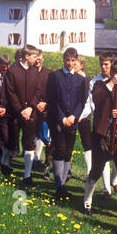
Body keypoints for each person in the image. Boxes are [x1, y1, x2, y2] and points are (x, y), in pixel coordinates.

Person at [82, 58, 117, 218]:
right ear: (112, 73)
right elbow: (97, 99)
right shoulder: (100, 86)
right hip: (101, 136)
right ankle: (87, 201)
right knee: (96, 170)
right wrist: (112, 82)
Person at [45, 48, 88, 200]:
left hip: (73, 121)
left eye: (73, 61)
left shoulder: (80, 80)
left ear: (76, 61)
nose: (70, 63)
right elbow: (52, 99)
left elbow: (82, 102)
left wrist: (74, 116)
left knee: (68, 152)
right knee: (60, 150)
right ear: (63, 60)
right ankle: (59, 186)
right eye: (67, 60)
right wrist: (62, 117)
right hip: (58, 120)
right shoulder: (55, 76)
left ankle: (62, 185)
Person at [7, 45, 49, 187]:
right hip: (15, 113)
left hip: (30, 114)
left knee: (29, 143)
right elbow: (10, 92)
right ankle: (4, 162)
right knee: (11, 141)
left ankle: (27, 175)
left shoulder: (35, 72)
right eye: (34, 56)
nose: (36, 59)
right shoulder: (12, 71)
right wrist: (20, 110)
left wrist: (30, 108)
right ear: (26, 57)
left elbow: (38, 92)